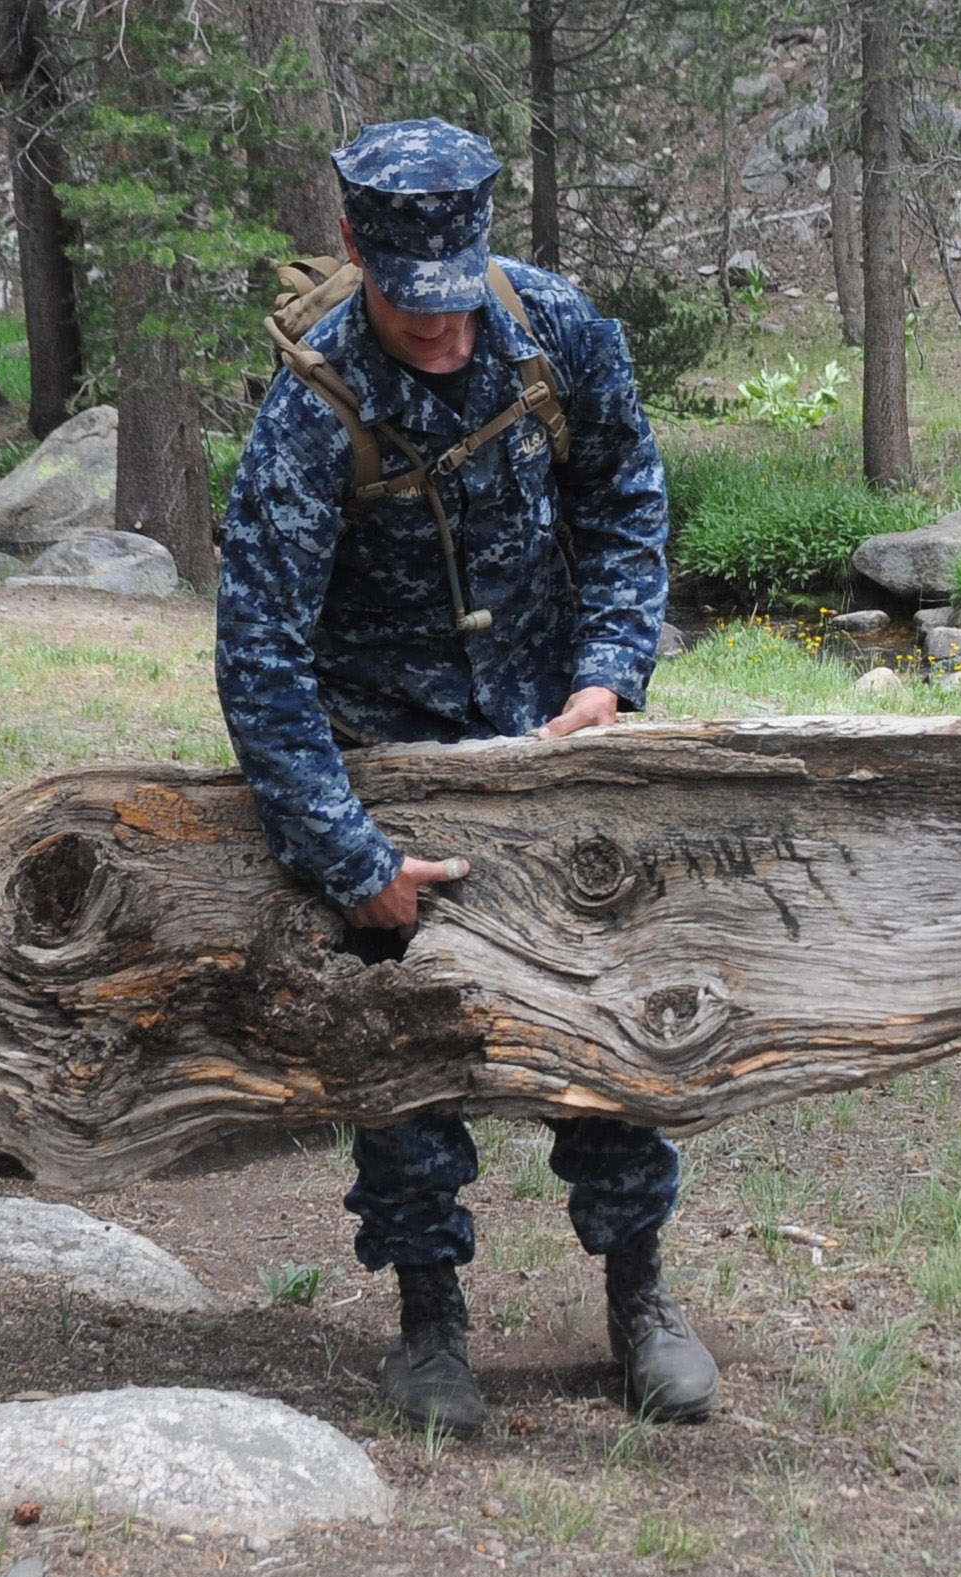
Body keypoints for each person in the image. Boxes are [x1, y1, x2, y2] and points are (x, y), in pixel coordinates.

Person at [215, 118, 715, 1437]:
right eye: (407, 304)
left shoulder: (556, 332)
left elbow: (625, 501)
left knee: (607, 1035)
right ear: (353, 249)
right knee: (405, 1060)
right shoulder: (311, 406)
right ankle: (430, 1314)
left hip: (553, 750)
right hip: (392, 765)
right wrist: (349, 859)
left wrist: (611, 677)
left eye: (453, 301)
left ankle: (640, 1294)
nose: (438, 331)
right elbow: (259, 660)